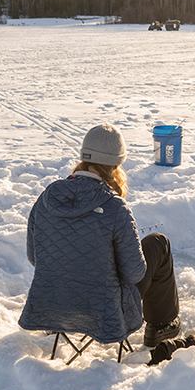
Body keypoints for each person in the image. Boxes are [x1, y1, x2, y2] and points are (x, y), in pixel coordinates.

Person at [19, 124, 182, 348]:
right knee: (157, 243)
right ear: (116, 165)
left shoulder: (46, 199)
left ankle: (63, 319)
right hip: (105, 312)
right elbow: (135, 273)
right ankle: (161, 326)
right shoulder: (115, 207)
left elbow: (35, 258)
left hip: (52, 306)